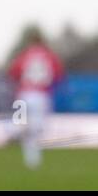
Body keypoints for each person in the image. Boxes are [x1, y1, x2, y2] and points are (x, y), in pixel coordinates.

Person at [8, 39, 63, 169]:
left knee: (24, 126)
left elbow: (13, 73)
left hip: (24, 94)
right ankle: (33, 158)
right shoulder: (50, 56)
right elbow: (58, 76)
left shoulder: (24, 55)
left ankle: (13, 131)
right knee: (37, 129)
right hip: (41, 95)